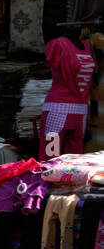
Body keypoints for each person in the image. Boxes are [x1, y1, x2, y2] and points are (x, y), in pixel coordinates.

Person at [41, 24, 96, 158]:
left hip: (80, 109)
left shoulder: (87, 46)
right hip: (58, 107)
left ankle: (72, 180)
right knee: (50, 155)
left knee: (75, 159)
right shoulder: (57, 45)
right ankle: (46, 179)